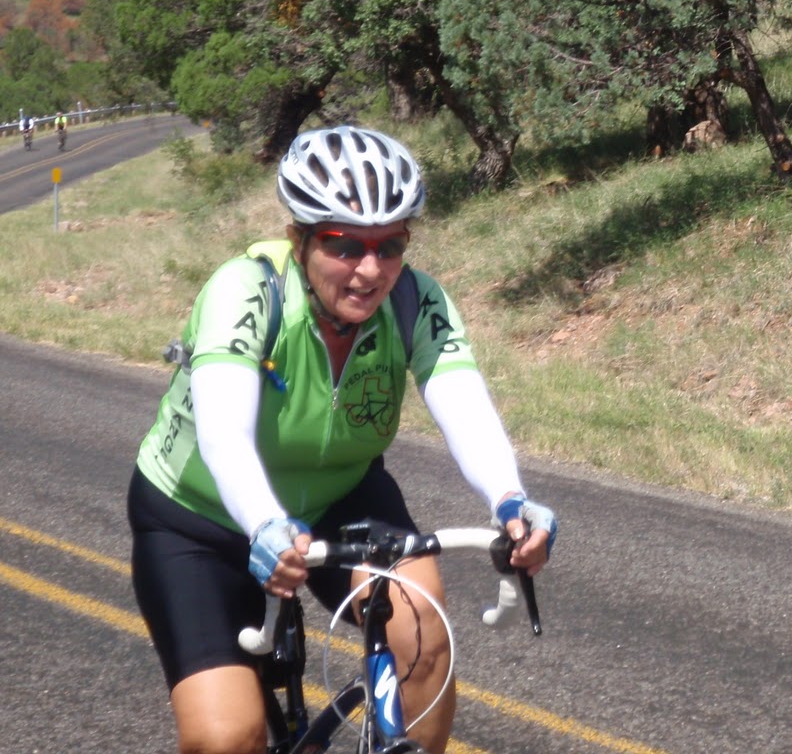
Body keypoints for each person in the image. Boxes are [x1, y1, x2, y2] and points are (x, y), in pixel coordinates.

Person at [127, 125, 556, 754]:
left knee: (424, 635)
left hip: (338, 501)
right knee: (226, 737)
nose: (369, 269)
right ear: (299, 239)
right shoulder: (245, 291)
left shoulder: (414, 300)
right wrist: (267, 524)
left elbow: (464, 405)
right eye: (344, 244)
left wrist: (511, 500)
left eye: (390, 246)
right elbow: (222, 436)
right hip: (200, 520)